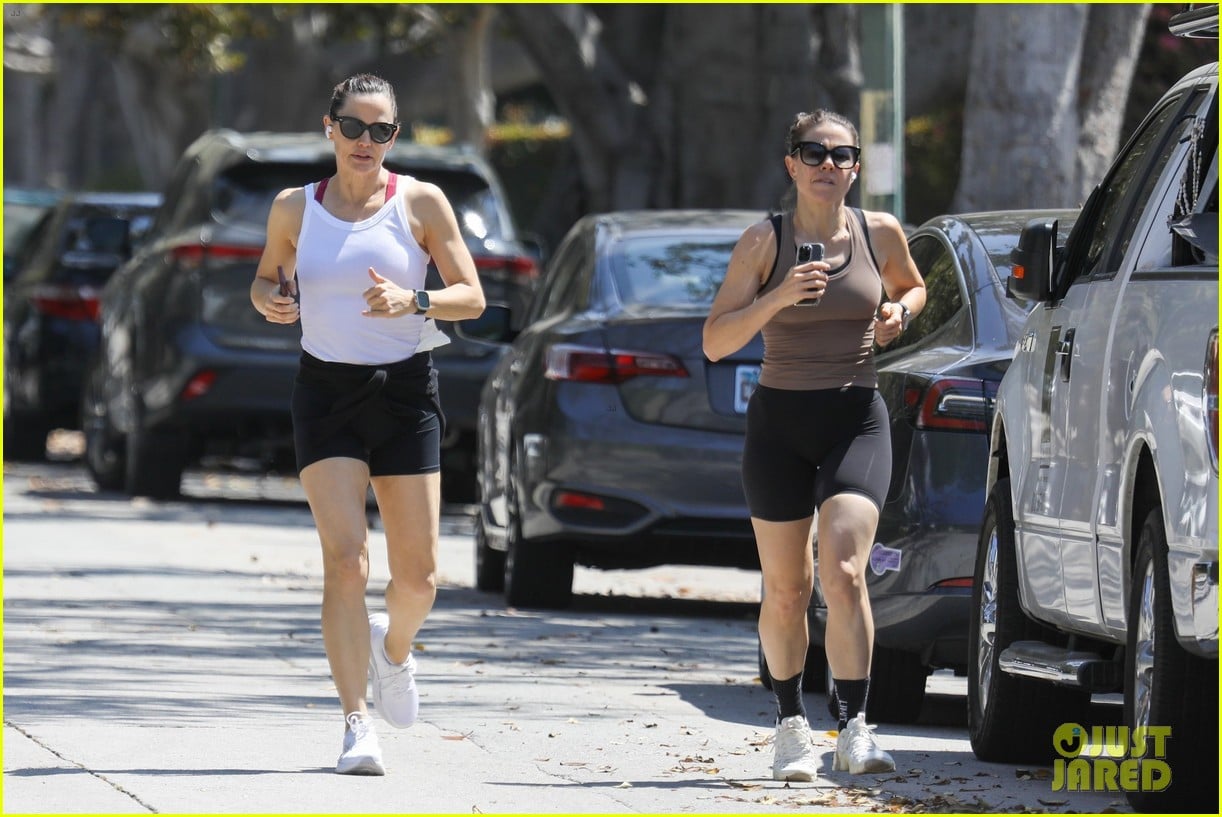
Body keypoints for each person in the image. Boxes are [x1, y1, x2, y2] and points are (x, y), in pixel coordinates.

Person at [251, 73, 485, 775]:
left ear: (395, 135)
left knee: (419, 579)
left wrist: (415, 300)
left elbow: (471, 297)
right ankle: (356, 721)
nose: (365, 142)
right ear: (329, 128)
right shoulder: (295, 207)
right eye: (353, 127)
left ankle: (395, 651)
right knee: (346, 560)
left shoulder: (419, 202)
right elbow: (266, 278)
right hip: (325, 393)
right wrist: (273, 301)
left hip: (406, 391)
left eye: (381, 130)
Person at [703, 110, 926, 782]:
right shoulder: (762, 243)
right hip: (779, 426)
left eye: (841, 154)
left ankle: (855, 726)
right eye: (813, 152)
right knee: (787, 590)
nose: (828, 165)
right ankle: (791, 724)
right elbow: (715, 340)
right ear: (791, 165)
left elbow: (914, 285)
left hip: (856, 416)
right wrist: (776, 299)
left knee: (846, 569)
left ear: (856, 166)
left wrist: (898, 313)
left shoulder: (878, 231)